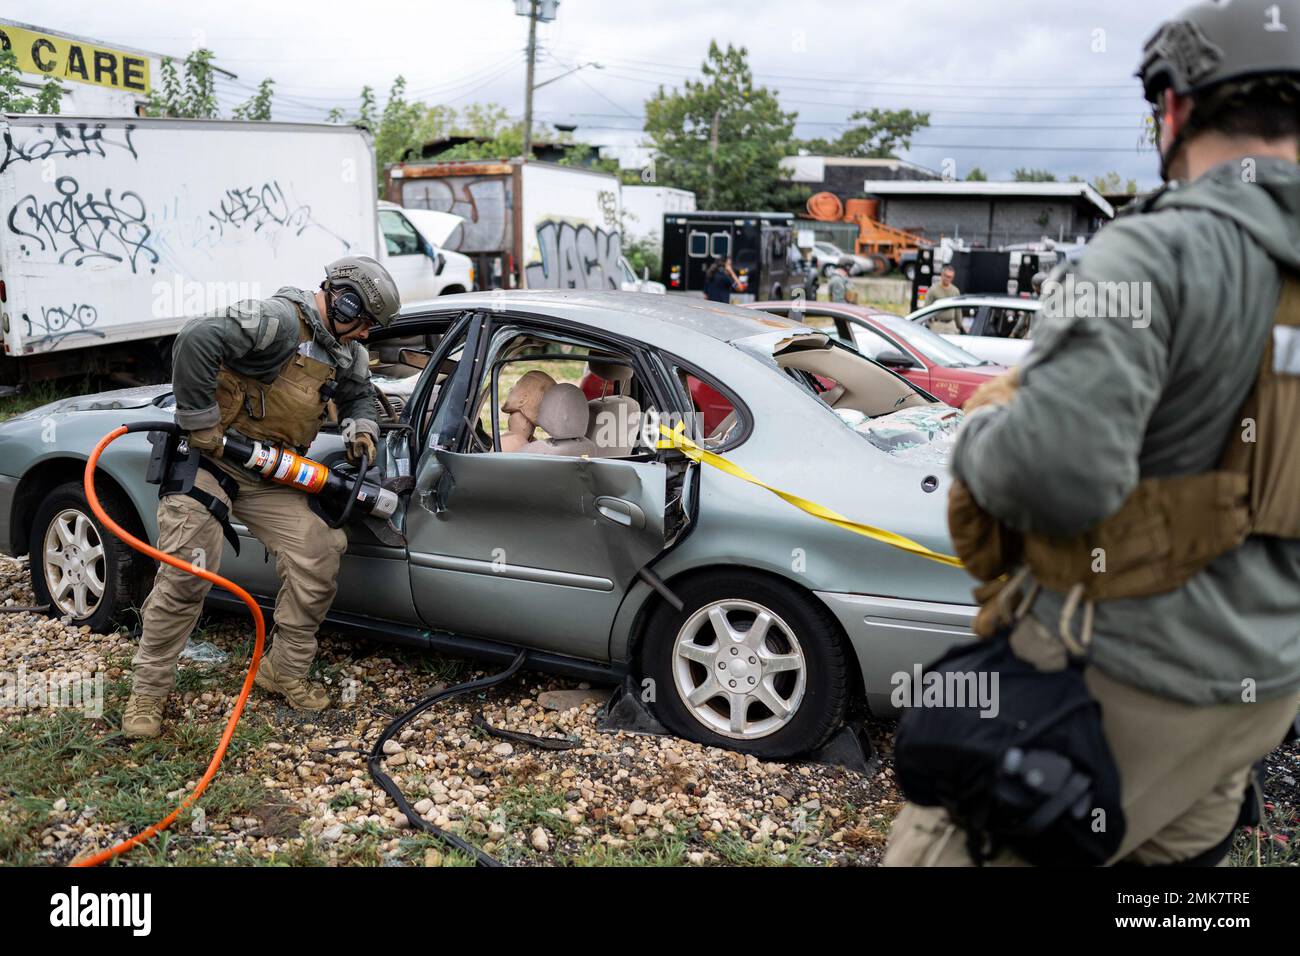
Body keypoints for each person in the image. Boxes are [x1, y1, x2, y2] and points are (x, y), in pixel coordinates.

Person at [886, 0, 1300, 866]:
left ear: (1175, 110)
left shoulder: (1153, 255)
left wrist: (982, 431)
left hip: (1115, 678)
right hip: (1260, 690)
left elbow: (1055, 477)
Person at [122, 256, 402, 739]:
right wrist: (200, 421)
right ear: (344, 300)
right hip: (209, 462)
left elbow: (358, 394)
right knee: (188, 573)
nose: (364, 337)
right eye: (364, 323)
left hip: (269, 472)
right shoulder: (275, 321)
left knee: (319, 550)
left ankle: (284, 670)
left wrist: (362, 426)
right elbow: (196, 338)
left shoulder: (345, 351)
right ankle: (148, 691)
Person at [922, 265, 962, 333]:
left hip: (950, 325)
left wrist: (959, 326)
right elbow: (926, 308)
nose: (948, 279)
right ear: (942, 275)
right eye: (946, 276)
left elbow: (958, 311)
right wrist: (929, 324)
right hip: (937, 324)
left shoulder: (955, 291)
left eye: (950, 277)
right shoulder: (933, 290)